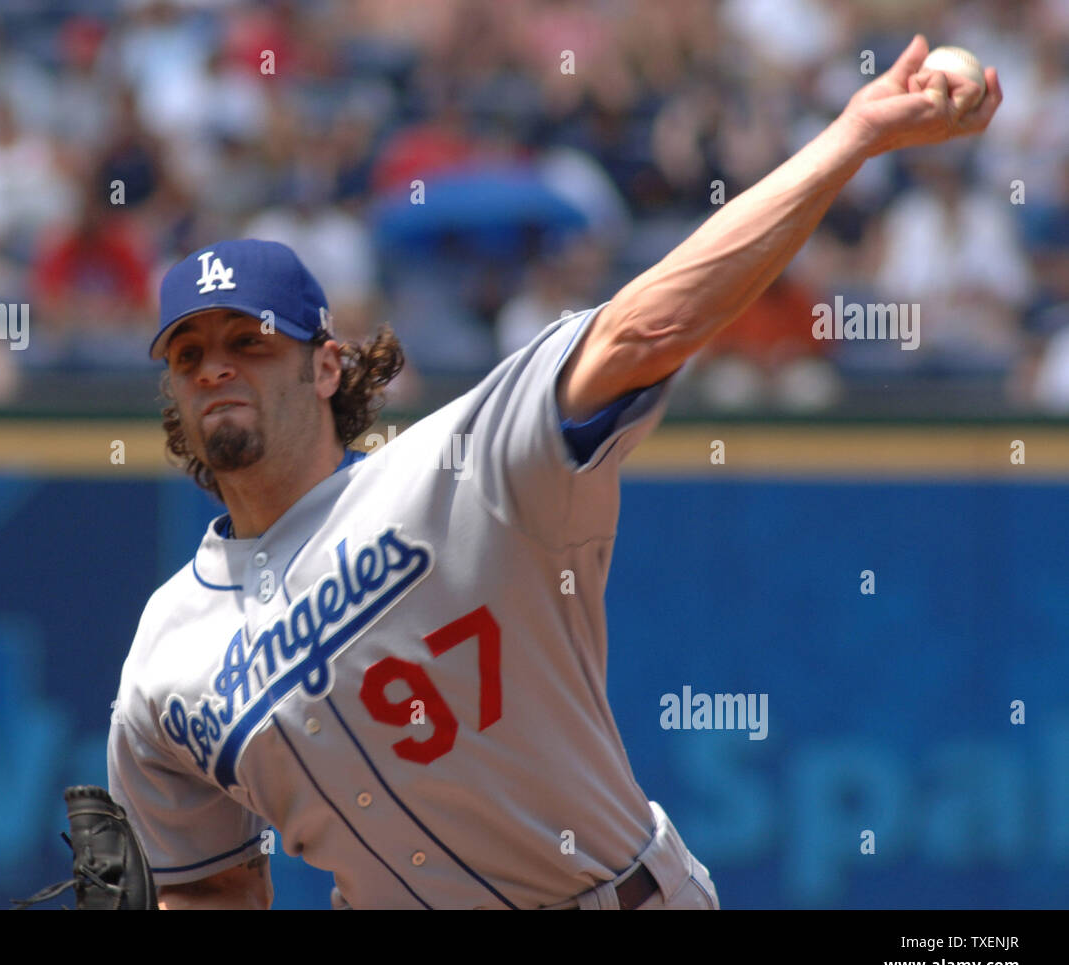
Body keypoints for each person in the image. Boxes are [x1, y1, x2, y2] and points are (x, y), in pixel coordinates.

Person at [108, 36, 1000, 909]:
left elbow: (641, 329)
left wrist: (851, 139)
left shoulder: (459, 468)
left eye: (248, 342)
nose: (214, 367)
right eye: (187, 354)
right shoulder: (162, 653)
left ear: (326, 367)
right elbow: (215, 888)